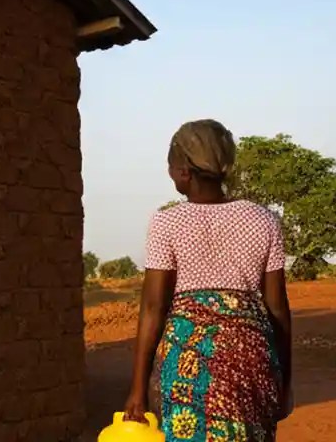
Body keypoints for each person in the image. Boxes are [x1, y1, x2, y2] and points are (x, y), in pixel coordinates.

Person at [123, 119, 293, 441]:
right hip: (250, 358)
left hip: (188, 361)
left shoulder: (166, 223)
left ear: (184, 171)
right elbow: (278, 310)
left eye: (170, 166)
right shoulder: (264, 220)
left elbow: (153, 308)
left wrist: (137, 389)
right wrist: (284, 380)